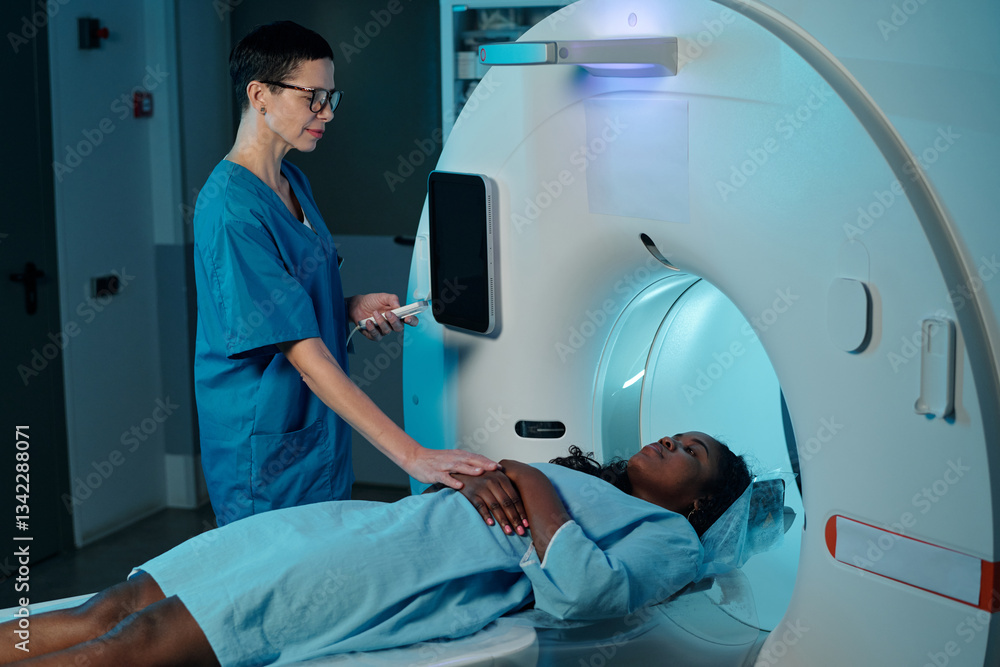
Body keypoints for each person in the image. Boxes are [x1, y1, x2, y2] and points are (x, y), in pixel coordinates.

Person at [0, 432, 750, 666]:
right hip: (358, 522)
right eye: (677, 431)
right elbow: (482, 487)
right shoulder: (588, 477)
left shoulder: (670, 539)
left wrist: (522, 477)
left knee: (147, 637)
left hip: (392, 568)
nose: (669, 439)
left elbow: (585, 593)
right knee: (117, 601)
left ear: (697, 500)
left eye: (690, 451)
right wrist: (504, 477)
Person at [192, 20, 498, 525]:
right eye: (313, 97)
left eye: (332, 97)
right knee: (283, 586)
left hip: (316, 431)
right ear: (259, 94)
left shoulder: (292, 180)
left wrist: (347, 307)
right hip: (267, 441)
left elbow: (280, 301)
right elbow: (302, 353)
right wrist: (411, 455)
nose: (327, 113)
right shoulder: (230, 209)